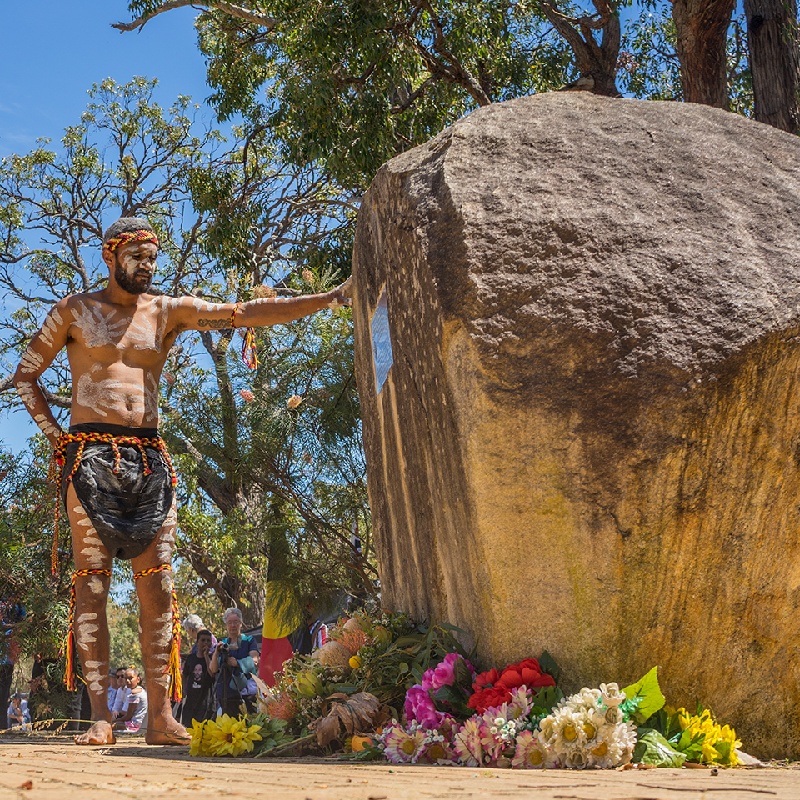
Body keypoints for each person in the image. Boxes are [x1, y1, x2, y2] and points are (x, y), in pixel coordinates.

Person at [11, 216, 352, 746]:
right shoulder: (74, 312)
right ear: (110, 256)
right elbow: (26, 376)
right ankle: (102, 716)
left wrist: (329, 298)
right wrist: (57, 438)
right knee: (92, 584)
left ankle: (160, 718)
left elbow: (244, 313)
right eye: (137, 257)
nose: (147, 266)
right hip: (90, 454)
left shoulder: (165, 312)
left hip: (149, 457)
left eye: (153, 257)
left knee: (160, 585)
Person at [209, 608, 260, 717]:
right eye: (230, 622)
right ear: (226, 625)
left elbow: (255, 660)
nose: (233, 625)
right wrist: (216, 653)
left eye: (236, 622)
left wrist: (237, 663)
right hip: (226, 694)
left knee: (248, 725)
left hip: (247, 692)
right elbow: (213, 669)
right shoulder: (223, 644)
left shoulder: (249, 640)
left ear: (241, 624)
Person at [179, 629, 215, 726]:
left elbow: (212, 673)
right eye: (203, 640)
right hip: (191, 700)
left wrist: (206, 657)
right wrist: (184, 689)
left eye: (208, 641)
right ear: (197, 642)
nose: (205, 643)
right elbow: (185, 674)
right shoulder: (191, 658)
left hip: (205, 701)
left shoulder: (213, 659)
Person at [112, 668, 147, 733]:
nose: (127, 681)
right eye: (125, 678)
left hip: (134, 725)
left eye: (130, 678)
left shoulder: (134, 694)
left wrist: (114, 721)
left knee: (107, 727)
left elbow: (128, 716)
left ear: (138, 679)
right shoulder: (141, 690)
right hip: (139, 723)